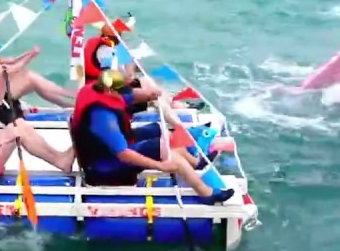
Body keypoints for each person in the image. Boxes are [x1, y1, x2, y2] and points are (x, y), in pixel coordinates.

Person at [71, 70, 235, 204]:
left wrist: (150, 95)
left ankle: (195, 163)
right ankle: (205, 193)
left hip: (109, 147)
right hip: (107, 166)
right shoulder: (104, 117)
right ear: (109, 90)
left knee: (166, 132)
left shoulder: (97, 88)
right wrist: (160, 166)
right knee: (168, 152)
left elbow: (130, 95)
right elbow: (124, 154)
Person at [0, 20, 75, 121]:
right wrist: (31, 57)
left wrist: (29, 53)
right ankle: (73, 96)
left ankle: (69, 105)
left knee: (33, 82)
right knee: (29, 77)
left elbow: (10, 61)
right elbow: (7, 71)